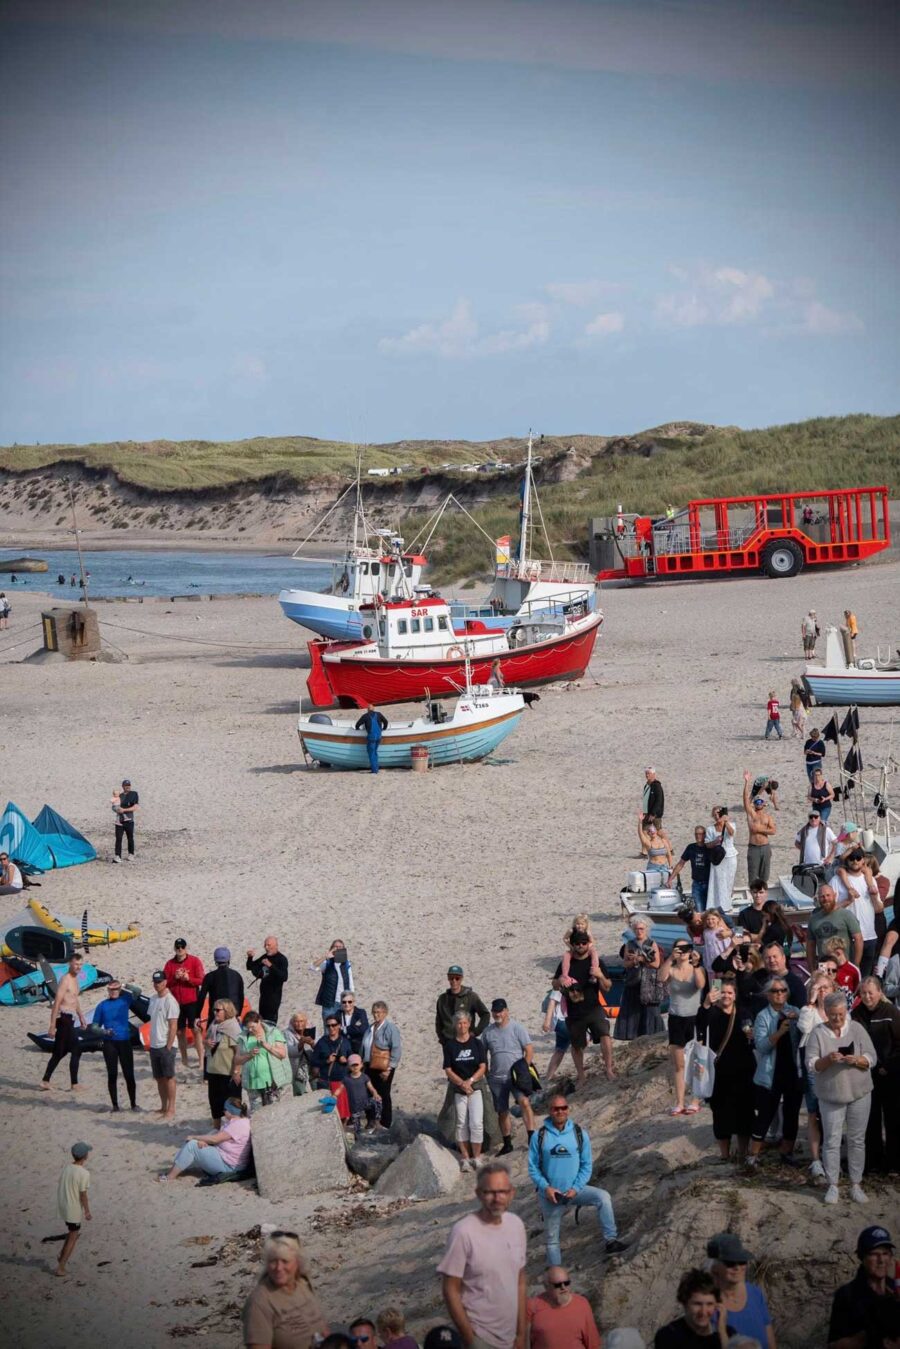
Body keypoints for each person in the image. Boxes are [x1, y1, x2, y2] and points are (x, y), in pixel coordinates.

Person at [528, 1095, 627, 1268]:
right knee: (552, 1239)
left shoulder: (579, 1133)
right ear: (550, 1111)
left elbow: (586, 1165)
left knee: (603, 1197)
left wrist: (576, 1187)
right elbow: (533, 1168)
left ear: (568, 1109)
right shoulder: (539, 1136)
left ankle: (611, 1241)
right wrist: (546, 1188)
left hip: (575, 1190)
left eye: (563, 1108)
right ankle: (556, 1275)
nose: (560, 1111)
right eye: (556, 1108)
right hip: (551, 1195)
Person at [437, 1160, 527, 1349]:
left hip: (513, 1338)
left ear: (512, 1193)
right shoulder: (463, 1232)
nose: (497, 1198)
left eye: (502, 1191)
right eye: (490, 1192)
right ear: (479, 1194)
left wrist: (521, 1333)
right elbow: (450, 1289)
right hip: (482, 1337)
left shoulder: (516, 1225)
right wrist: (471, 1339)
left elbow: (519, 1280)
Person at [807, 991, 876, 1204]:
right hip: (830, 1095)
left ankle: (856, 1184)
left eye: (841, 1013)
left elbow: (872, 1057)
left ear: (846, 1010)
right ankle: (833, 1185)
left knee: (857, 1140)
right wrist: (827, 1060)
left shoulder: (856, 1028)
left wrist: (858, 1059)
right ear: (826, 1013)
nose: (837, 1018)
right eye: (833, 1014)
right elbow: (811, 1065)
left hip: (859, 1092)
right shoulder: (817, 1033)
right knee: (832, 1141)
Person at [746, 977, 803, 1170]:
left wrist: (799, 1022)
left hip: (793, 1071)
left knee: (791, 1113)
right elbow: (761, 1047)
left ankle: (787, 1152)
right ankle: (753, 1155)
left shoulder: (795, 1012)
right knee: (765, 1114)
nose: (779, 994)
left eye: (782, 990)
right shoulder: (763, 1016)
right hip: (770, 1074)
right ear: (768, 995)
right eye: (775, 991)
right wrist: (779, 1032)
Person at [696, 975, 755, 1161]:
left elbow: (753, 1037)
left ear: (735, 995)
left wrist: (752, 1036)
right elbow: (699, 1025)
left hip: (744, 1069)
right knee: (721, 1114)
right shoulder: (712, 1013)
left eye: (730, 992)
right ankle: (724, 1154)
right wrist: (705, 1004)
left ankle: (743, 1152)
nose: (726, 996)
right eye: (723, 992)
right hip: (719, 1071)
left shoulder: (744, 1013)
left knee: (745, 1113)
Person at [242, 1231, 330, 1349]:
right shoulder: (259, 1303)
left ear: (298, 1262)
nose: (279, 1268)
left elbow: (323, 1331)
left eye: (285, 1261)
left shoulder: (303, 1285)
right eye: (273, 1261)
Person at [853, 977, 900, 1176]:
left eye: (871, 992)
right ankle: (873, 1161)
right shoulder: (856, 1014)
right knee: (869, 1120)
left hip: (891, 1075)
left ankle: (895, 1163)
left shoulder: (891, 1013)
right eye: (864, 993)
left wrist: (887, 1066)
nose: (868, 996)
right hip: (866, 1074)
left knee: (894, 1119)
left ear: (880, 992)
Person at [553, 932, 615, 1083]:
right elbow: (554, 985)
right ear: (572, 945)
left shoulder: (597, 962)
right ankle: (581, 1076)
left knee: (605, 1035)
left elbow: (607, 987)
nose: (580, 946)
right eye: (577, 943)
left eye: (583, 943)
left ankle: (609, 1069)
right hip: (574, 1011)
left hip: (593, 1008)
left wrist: (600, 975)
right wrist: (561, 979)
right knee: (576, 1045)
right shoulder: (565, 964)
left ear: (588, 944)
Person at [828, 1225, 897, 1349]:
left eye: (885, 1253)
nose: (881, 1260)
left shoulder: (895, 1291)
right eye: (874, 1254)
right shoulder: (847, 1295)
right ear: (862, 1257)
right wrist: (868, 1335)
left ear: (891, 1257)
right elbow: (833, 1345)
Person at [481, 999, 535, 1154]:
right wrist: (486, 1074)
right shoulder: (488, 1032)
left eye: (500, 1011)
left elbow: (529, 1050)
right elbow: (482, 1055)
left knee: (524, 1102)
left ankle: (531, 1137)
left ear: (506, 1011)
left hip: (516, 1077)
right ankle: (507, 1143)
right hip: (496, 1078)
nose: (497, 1014)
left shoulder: (517, 1028)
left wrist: (524, 1069)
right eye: (495, 1011)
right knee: (502, 1111)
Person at [660, 940, 706, 1115]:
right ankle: (679, 1102)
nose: (683, 952)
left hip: (695, 1018)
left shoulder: (697, 969)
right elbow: (661, 978)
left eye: (686, 949)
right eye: (680, 949)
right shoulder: (671, 969)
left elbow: (701, 985)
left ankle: (695, 1100)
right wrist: (671, 958)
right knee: (679, 1064)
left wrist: (695, 964)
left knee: (697, 1061)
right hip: (676, 1018)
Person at [161, 1095, 252, 1184]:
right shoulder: (238, 1121)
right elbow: (217, 1136)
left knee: (191, 1146)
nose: (223, 1111)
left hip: (229, 1166)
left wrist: (195, 1137)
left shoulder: (238, 1125)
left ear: (231, 1111)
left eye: (225, 1109)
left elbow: (215, 1139)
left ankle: (170, 1177)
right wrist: (204, 1141)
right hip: (225, 1158)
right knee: (199, 1140)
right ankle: (175, 1169)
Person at [707, 1233, 775, 1348]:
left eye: (742, 1261)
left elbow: (770, 1341)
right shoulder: (706, 1304)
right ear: (715, 1268)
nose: (737, 1267)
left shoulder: (755, 1293)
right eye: (730, 1263)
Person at [798, 971, 834, 1181]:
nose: (822, 992)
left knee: (831, 1114)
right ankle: (815, 1160)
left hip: (833, 1068)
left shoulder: (840, 1013)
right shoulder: (808, 1011)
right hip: (813, 1068)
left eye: (825, 988)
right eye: (817, 988)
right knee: (813, 1113)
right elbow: (804, 1027)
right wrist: (811, 1003)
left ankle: (831, 1156)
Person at [443, 1012, 488, 1171]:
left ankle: (477, 1157)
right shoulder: (450, 1045)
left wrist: (470, 1081)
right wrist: (462, 1083)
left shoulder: (477, 1044)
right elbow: (448, 1069)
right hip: (458, 1089)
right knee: (461, 1124)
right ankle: (465, 1158)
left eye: (464, 1023)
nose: (462, 1026)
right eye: (459, 1023)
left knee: (476, 1123)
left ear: (469, 1024)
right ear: (455, 1025)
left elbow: (483, 1066)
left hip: (475, 1088)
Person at [40, 952, 87, 1091]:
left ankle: (45, 1080)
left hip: (71, 1019)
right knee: (77, 1049)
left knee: (60, 1052)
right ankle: (74, 1083)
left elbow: (74, 1000)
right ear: (70, 964)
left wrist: (81, 1016)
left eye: (80, 965)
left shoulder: (76, 979)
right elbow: (57, 1003)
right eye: (76, 964)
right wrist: (52, 1025)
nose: (78, 967)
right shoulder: (65, 980)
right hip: (64, 1019)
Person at [834, 849, 883, 977]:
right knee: (848, 979)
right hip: (848, 939)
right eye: (851, 858)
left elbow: (878, 909)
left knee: (866, 979)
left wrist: (874, 894)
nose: (855, 861)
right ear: (847, 860)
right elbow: (829, 909)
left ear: (863, 859)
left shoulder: (870, 879)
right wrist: (847, 901)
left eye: (858, 857)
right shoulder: (836, 880)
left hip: (869, 936)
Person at [526, 1266, 601, 1349]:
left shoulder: (582, 1303)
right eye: (557, 1285)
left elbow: (592, 1341)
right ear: (546, 1286)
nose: (563, 1288)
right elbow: (522, 1341)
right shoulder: (532, 1306)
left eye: (566, 1283)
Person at [92, 979, 138, 1112]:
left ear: (119, 990)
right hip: (109, 1042)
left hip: (124, 1041)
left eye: (115, 989)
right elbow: (94, 1026)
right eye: (111, 990)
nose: (113, 992)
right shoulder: (102, 1005)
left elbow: (137, 992)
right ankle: (115, 1105)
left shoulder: (125, 999)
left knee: (129, 1073)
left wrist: (124, 985)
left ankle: (133, 1104)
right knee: (112, 1074)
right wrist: (104, 1031)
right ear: (107, 990)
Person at [616, 917, 664, 1042]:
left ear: (646, 929)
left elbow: (656, 964)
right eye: (636, 929)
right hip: (633, 982)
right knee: (632, 1013)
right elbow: (626, 964)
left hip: (649, 983)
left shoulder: (652, 943)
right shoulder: (629, 944)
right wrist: (634, 960)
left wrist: (642, 959)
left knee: (650, 1014)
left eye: (641, 929)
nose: (639, 931)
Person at [654, 1269, 730, 1347]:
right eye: (697, 1304)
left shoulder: (727, 1334)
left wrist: (722, 1333)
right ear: (685, 1303)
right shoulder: (668, 1336)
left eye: (709, 1304)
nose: (703, 1312)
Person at [235, 1010, 289, 1112]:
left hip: (272, 1081)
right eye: (248, 1027)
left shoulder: (273, 1033)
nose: (250, 1030)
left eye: (253, 1027)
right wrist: (249, 1055)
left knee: (273, 1111)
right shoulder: (243, 1037)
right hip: (253, 1082)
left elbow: (282, 1054)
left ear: (259, 1021)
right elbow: (237, 1060)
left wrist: (267, 1046)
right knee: (256, 1113)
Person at [163, 939, 206, 1070]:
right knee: (180, 1032)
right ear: (174, 948)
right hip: (176, 1003)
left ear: (186, 948)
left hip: (192, 1001)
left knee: (196, 1030)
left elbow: (201, 980)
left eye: (182, 947)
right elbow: (164, 983)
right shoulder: (170, 964)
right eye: (177, 947)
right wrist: (175, 978)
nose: (180, 949)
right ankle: (184, 1060)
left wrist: (188, 979)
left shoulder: (194, 961)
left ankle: (201, 1061)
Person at [54, 1142, 92, 1278]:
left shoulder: (67, 1168)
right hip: (73, 1209)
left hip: (63, 1205)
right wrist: (87, 1211)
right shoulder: (84, 1173)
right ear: (85, 1156)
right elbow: (83, 1195)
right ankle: (61, 1267)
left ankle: (61, 1256)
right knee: (74, 1237)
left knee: (71, 1232)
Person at [805, 884, 864, 972]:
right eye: (822, 896)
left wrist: (856, 964)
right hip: (824, 966)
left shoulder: (846, 915)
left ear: (835, 895)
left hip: (844, 963)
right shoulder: (813, 919)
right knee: (825, 986)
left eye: (828, 895)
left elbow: (858, 939)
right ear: (818, 899)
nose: (825, 899)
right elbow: (810, 945)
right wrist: (811, 968)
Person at [362, 999, 402, 1128]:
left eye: (379, 1012)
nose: (376, 1015)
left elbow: (396, 1048)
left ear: (385, 1013)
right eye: (374, 1012)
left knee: (383, 1093)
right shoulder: (370, 1028)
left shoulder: (390, 1028)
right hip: (369, 1065)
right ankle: (371, 1120)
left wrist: (389, 1068)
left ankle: (385, 1122)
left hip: (383, 1067)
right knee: (369, 1092)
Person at [204, 998, 242, 1125]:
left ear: (227, 1011)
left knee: (230, 1106)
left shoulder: (232, 1028)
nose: (215, 1012)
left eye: (218, 1010)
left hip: (228, 1073)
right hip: (213, 1071)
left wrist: (236, 1071)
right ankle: (216, 1128)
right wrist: (206, 1042)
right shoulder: (214, 1025)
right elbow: (207, 1043)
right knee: (214, 1103)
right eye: (214, 1009)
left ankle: (232, 1131)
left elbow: (239, 1051)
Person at [148, 970, 179, 1120]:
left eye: (159, 982)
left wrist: (169, 1045)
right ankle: (163, 1106)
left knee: (169, 1077)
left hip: (166, 1044)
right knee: (159, 1078)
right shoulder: (153, 999)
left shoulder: (170, 1001)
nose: (157, 984)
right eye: (155, 982)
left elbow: (173, 1025)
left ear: (165, 982)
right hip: (154, 1044)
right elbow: (151, 1021)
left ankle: (171, 1108)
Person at [435, 966, 490, 1043]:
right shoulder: (442, 999)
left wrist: (475, 1032)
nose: (454, 981)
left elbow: (485, 1015)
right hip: (448, 1042)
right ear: (448, 978)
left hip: (466, 1041)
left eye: (457, 978)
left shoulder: (471, 997)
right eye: (451, 978)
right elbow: (439, 1021)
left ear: (461, 979)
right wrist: (442, 1038)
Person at [743, 771, 776, 888]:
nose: (758, 803)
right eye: (756, 801)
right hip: (754, 848)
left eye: (760, 801)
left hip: (765, 847)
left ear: (764, 804)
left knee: (764, 876)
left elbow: (773, 831)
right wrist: (746, 782)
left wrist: (760, 830)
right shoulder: (752, 814)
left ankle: (763, 899)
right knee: (752, 876)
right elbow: (746, 800)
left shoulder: (768, 817)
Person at [246, 936, 289, 1024]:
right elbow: (250, 967)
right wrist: (250, 958)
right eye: (265, 945)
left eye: (269, 945)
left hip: (274, 996)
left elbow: (284, 977)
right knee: (262, 1021)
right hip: (263, 995)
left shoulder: (282, 959)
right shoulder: (265, 957)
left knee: (270, 1023)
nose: (266, 948)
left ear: (276, 946)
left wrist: (271, 966)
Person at [198, 948, 245, 1026]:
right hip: (232, 1014)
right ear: (228, 959)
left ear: (215, 960)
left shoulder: (209, 976)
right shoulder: (237, 975)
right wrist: (239, 1014)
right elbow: (241, 997)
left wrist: (197, 1015)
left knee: (213, 1037)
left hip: (216, 1014)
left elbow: (202, 997)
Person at [670, 827, 712, 912]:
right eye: (696, 834)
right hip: (696, 884)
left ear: (704, 835)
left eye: (700, 834)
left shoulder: (710, 848)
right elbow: (681, 863)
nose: (698, 836)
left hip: (709, 883)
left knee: (709, 911)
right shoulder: (691, 847)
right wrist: (670, 879)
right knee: (699, 910)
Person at [705, 806, 737, 910]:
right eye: (714, 815)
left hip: (730, 855)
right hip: (718, 857)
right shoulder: (710, 829)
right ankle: (717, 906)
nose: (716, 816)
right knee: (717, 881)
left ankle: (727, 906)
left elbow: (732, 833)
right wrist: (715, 841)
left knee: (729, 880)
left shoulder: (731, 825)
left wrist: (726, 821)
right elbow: (707, 845)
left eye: (718, 813)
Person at [314, 940, 353, 1022]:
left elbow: (351, 982)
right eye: (336, 947)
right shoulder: (327, 963)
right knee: (329, 1030)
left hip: (344, 1002)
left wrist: (352, 999)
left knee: (343, 1030)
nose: (338, 949)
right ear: (332, 948)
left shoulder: (346, 964)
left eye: (340, 947)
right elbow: (312, 967)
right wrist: (326, 956)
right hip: (330, 1003)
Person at [311, 1015, 353, 1089]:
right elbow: (314, 1062)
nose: (331, 1028)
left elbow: (352, 1060)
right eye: (328, 1026)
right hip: (325, 1081)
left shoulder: (345, 1042)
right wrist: (327, 1061)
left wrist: (345, 1060)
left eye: (334, 1025)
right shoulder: (321, 1042)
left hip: (342, 1082)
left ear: (339, 1026)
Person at [795, 810, 837, 882]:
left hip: (822, 865)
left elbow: (836, 843)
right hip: (808, 865)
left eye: (816, 817)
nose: (813, 819)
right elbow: (797, 843)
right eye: (811, 817)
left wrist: (830, 857)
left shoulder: (826, 829)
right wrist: (805, 850)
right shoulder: (804, 830)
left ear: (819, 818)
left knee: (826, 885)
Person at [825, 937, 862, 1007]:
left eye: (830, 956)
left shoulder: (854, 970)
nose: (828, 959)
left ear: (838, 953)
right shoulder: (826, 968)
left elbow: (857, 992)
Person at [284, 1012, 315, 1095]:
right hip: (297, 1066)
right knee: (299, 1093)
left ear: (305, 1022)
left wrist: (312, 1043)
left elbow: (319, 1048)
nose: (299, 1024)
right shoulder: (288, 1033)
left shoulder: (311, 1030)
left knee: (317, 1088)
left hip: (312, 1063)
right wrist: (300, 1043)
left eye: (301, 1021)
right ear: (292, 1022)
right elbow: (290, 1053)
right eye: (296, 1021)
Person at [355, 703, 389, 773]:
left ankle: (374, 770)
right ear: (374, 709)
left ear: (367, 710)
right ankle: (376, 768)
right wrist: (384, 728)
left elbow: (357, 725)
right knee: (375, 752)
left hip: (371, 737)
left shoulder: (365, 716)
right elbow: (386, 721)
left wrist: (358, 729)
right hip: (379, 736)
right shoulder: (379, 714)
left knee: (371, 753)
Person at [112, 778, 139, 862]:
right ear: (123, 786)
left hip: (129, 820)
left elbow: (135, 807)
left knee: (130, 837)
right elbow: (113, 806)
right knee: (118, 838)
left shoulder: (134, 794)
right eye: (126, 785)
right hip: (119, 821)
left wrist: (124, 810)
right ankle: (117, 856)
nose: (127, 787)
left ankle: (131, 854)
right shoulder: (119, 796)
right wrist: (117, 809)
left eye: (129, 785)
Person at [338, 991, 370, 1056]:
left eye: (349, 1002)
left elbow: (363, 1029)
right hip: (344, 1048)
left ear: (354, 1002)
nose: (347, 1004)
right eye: (344, 1002)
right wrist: (355, 1027)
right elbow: (336, 1030)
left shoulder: (361, 1013)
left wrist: (345, 1029)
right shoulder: (338, 1014)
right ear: (341, 1003)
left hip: (358, 1047)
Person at [642, 767, 665, 835]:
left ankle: (666, 845)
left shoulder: (657, 786)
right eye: (646, 773)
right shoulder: (646, 786)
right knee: (645, 833)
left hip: (654, 816)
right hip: (646, 814)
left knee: (657, 834)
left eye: (649, 773)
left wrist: (653, 813)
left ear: (654, 774)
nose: (647, 775)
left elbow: (659, 800)